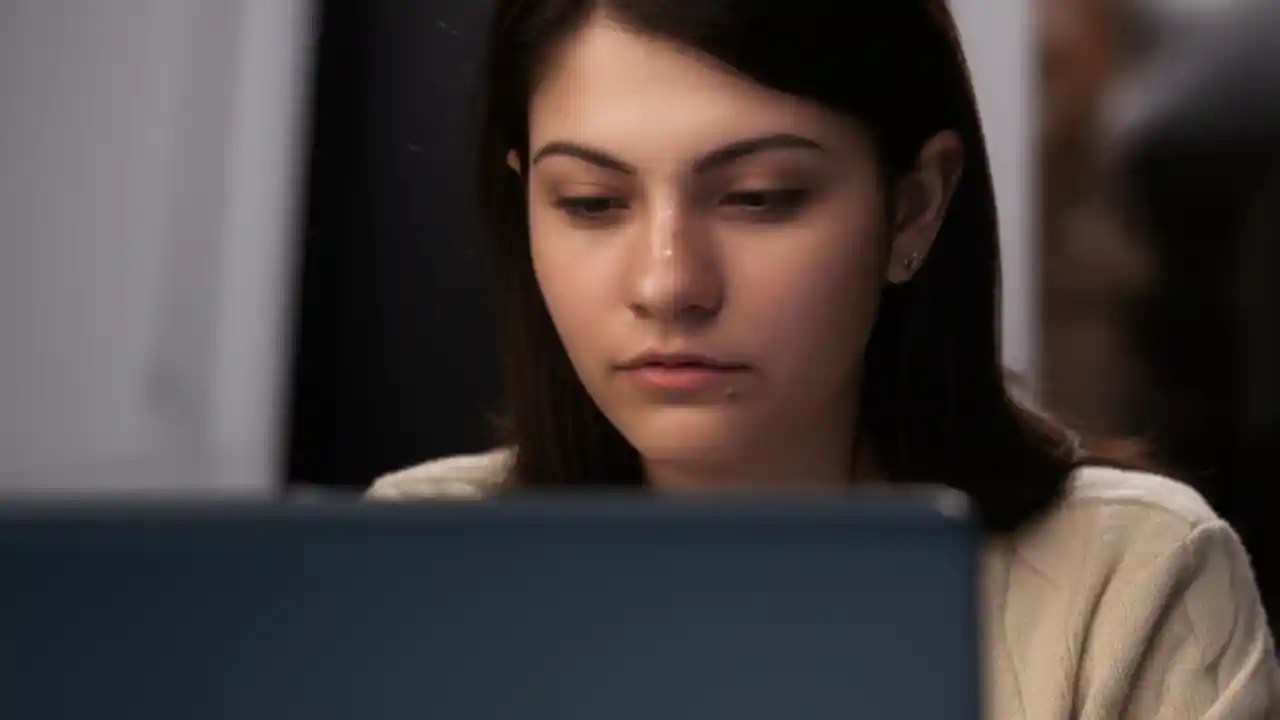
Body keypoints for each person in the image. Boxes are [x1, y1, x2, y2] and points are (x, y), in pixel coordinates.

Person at [368, 1, 1280, 715]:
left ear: (915, 206)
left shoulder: (1132, 583)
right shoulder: (405, 559)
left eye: (761, 198)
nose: (668, 282)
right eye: (594, 202)